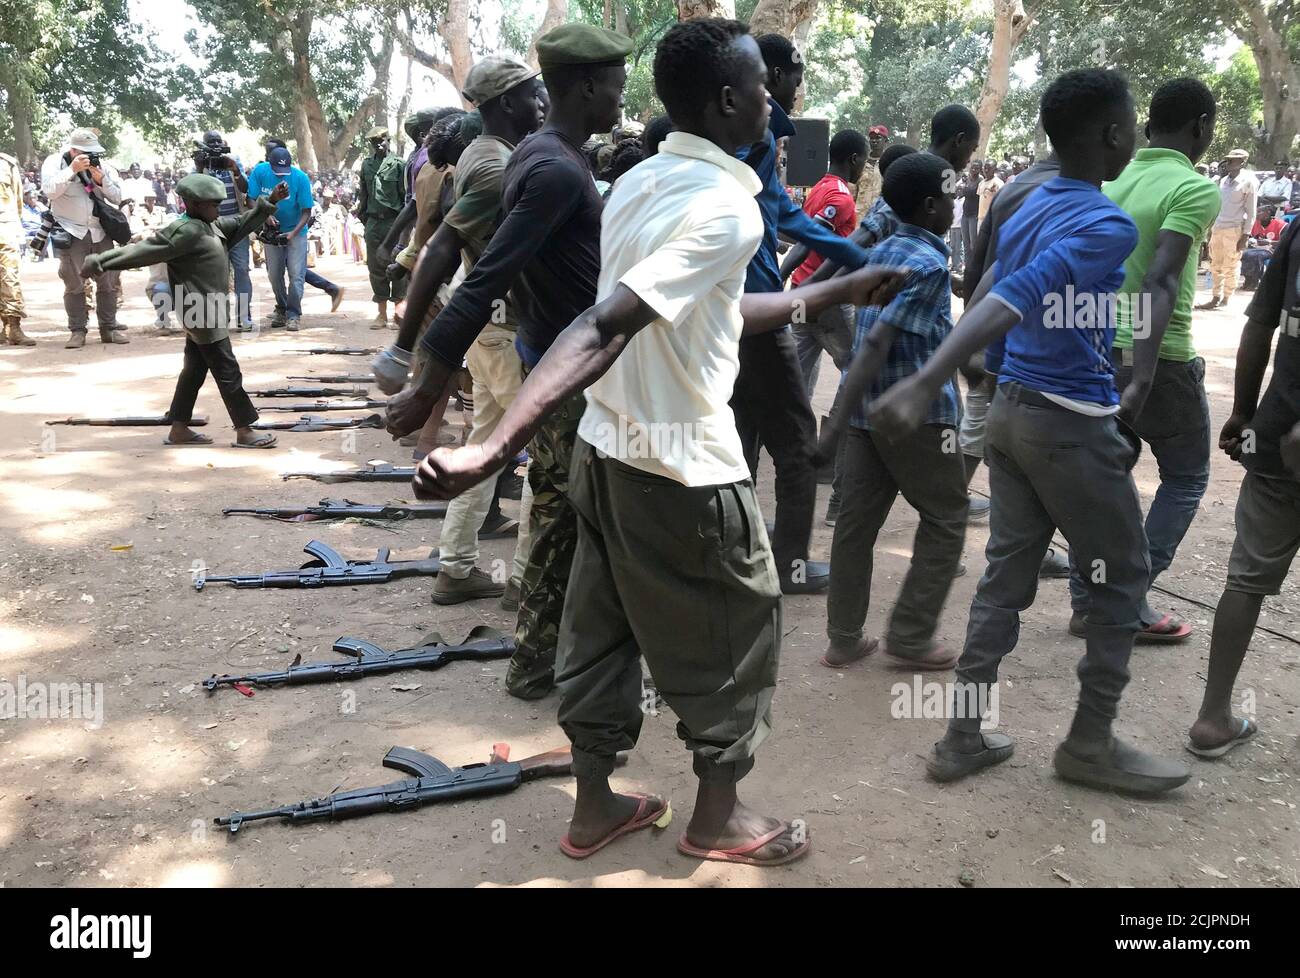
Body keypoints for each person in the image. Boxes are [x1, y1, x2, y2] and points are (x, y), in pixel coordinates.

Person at [408, 17, 905, 864]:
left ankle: (596, 806)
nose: (774, 105)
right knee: (740, 632)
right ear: (726, 101)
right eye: (761, 89)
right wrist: (492, 452)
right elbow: (606, 324)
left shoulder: (639, 183)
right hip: (686, 474)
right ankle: (718, 818)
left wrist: (835, 290)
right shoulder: (726, 209)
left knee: (599, 632)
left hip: (609, 455)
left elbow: (702, 309)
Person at [871, 68, 1191, 795]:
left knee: (1005, 578)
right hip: (1069, 425)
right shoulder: (1106, 224)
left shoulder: (1035, 200)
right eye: (1132, 125)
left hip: (1013, 415)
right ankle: (1088, 744)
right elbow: (1012, 294)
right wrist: (929, 379)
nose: (1137, 136)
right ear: (1111, 135)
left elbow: (986, 289)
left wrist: (971, 368)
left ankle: (962, 735)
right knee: (1122, 579)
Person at [383, 24, 633, 699]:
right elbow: (486, 274)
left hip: (558, 355)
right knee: (561, 512)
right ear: (583, 87)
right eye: (615, 86)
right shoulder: (550, 166)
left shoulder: (547, 155)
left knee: (563, 509)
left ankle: (545, 657)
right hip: (567, 367)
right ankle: (537, 664)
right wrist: (422, 370)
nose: (620, 97)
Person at [1062, 77, 1221, 645]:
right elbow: (1162, 278)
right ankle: (1123, 599)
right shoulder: (1194, 189)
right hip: (1163, 356)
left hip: (1104, 350)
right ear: (1201, 126)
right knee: (1185, 476)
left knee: (1105, 484)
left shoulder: (1116, 175)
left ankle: (1089, 601)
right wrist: (1149, 371)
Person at [729, 32, 873, 596]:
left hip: (733, 307)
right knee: (794, 445)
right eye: (796, 72)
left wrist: (850, 253)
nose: (798, 84)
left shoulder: (738, 130)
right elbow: (777, 213)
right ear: (773, 76)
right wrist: (855, 259)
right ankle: (790, 565)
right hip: (762, 304)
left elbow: (782, 210)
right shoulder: (759, 132)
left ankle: (735, 549)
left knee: (740, 434)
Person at [823, 151, 967, 672]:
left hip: (864, 413)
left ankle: (843, 638)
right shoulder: (928, 265)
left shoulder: (880, 250)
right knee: (948, 517)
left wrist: (842, 418)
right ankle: (909, 635)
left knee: (855, 528)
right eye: (951, 196)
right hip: (915, 417)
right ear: (931, 206)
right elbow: (880, 340)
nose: (956, 204)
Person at [1188, 208, 1300, 757]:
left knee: (1247, 578)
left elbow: (1261, 324)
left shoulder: (1299, 228)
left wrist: (1245, 412)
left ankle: (1212, 717)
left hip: (1277, 434)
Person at [81, 173, 287, 449]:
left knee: (193, 371)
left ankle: (179, 427)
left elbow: (240, 223)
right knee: (228, 371)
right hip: (201, 313)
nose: (218, 209)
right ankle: (244, 430)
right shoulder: (184, 231)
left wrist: (270, 201)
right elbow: (144, 251)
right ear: (193, 204)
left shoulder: (210, 226)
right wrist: (100, 260)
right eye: (212, 204)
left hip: (209, 311)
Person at [781, 128, 866, 394]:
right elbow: (806, 242)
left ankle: (791, 433)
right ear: (853, 159)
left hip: (802, 291)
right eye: (863, 160)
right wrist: (779, 274)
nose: (864, 167)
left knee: (798, 374)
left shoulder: (819, 187)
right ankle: (845, 430)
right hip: (828, 297)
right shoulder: (840, 197)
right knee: (860, 369)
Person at [40, 127, 129, 348]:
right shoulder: (54, 163)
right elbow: (50, 191)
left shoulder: (103, 166)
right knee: (74, 284)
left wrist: (102, 180)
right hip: (71, 231)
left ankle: (108, 329)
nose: (90, 156)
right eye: (84, 152)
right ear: (72, 150)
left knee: (108, 282)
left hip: (100, 231)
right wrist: (72, 170)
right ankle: (77, 331)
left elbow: (118, 196)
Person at [193, 131, 255, 330]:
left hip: (237, 223)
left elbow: (246, 188)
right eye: (211, 143)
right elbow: (192, 190)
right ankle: (219, 317)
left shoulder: (233, 161)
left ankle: (244, 317)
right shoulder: (199, 164)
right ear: (204, 145)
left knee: (242, 270)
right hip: (211, 226)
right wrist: (200, 167)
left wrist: (235, 170)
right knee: (215, 273)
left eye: (218, 142)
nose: (216, 146)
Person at [247, 146, 313, 331]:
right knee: (274, 274)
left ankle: (293, 314)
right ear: (270, 162)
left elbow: (307, 211)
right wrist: (266, 215)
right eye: (277, 171)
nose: (281, 175)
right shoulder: (260, 171)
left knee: (296, 275)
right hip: (271, 232)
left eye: (285, 171)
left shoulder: (300, 178)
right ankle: (282, 307)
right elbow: (251, 199)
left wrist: (293, 234)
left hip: (296, 232)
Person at [354, 127, 407, 327]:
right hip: (374, 222)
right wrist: (365, 219)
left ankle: (399, 313)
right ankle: (381, 314)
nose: (378, 144)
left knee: (398, 264)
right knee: (376, 267)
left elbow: (405, 197)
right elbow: (364, 195)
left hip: (394, 221)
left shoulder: (399, 164)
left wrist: (404, 226)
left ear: (388, 139)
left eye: (381, 140)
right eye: (373, 142)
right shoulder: (366, 165)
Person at [1199, 148, 1257, 310]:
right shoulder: (1223, 181)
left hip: (1234, 229)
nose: (1228, 162)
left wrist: (1245, 235)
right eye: (1228, 159)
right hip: (1218, 227)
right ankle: (1215, 297)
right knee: (1215, 264)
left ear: (1242, 162)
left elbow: (1251, 212)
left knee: (1231, 265)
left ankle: (1226, 298)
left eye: (1233, 160)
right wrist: (1211, 228)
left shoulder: (1248, 182)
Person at [0, 149, 33, 345]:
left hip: (5, 229)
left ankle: (13, 327)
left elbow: (18, 201)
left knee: (10, 278)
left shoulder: (7, 163)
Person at [1240, 202, 1285, 289]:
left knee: (1254, 255)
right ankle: (1248, 280)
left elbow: (1285, 242)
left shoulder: (1280, 225)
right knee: (1244, 253)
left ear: (1268, 213)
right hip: (1256, 248)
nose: (1257, 214)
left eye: (1260, 211)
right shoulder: (1255, 223)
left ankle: (1255, 282)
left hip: (1272, 250)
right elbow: (1250, 237)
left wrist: (1269, 242)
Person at [853, 124, 889, 218]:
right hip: (859, 217)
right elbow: (853, 191)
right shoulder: (861, 163)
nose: (874, 141)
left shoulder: (889, 163)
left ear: (886, 141)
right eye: (871, 138)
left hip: (880, 217)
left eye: (878, 138)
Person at [976, 158, 1003, 223]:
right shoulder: (981, 183)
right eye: (985, 168)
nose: (986, 170)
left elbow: (1001, 201)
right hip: (980, 218)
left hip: (991, 219)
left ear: (995, 170)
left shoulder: (999, 183)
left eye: (989, 168)